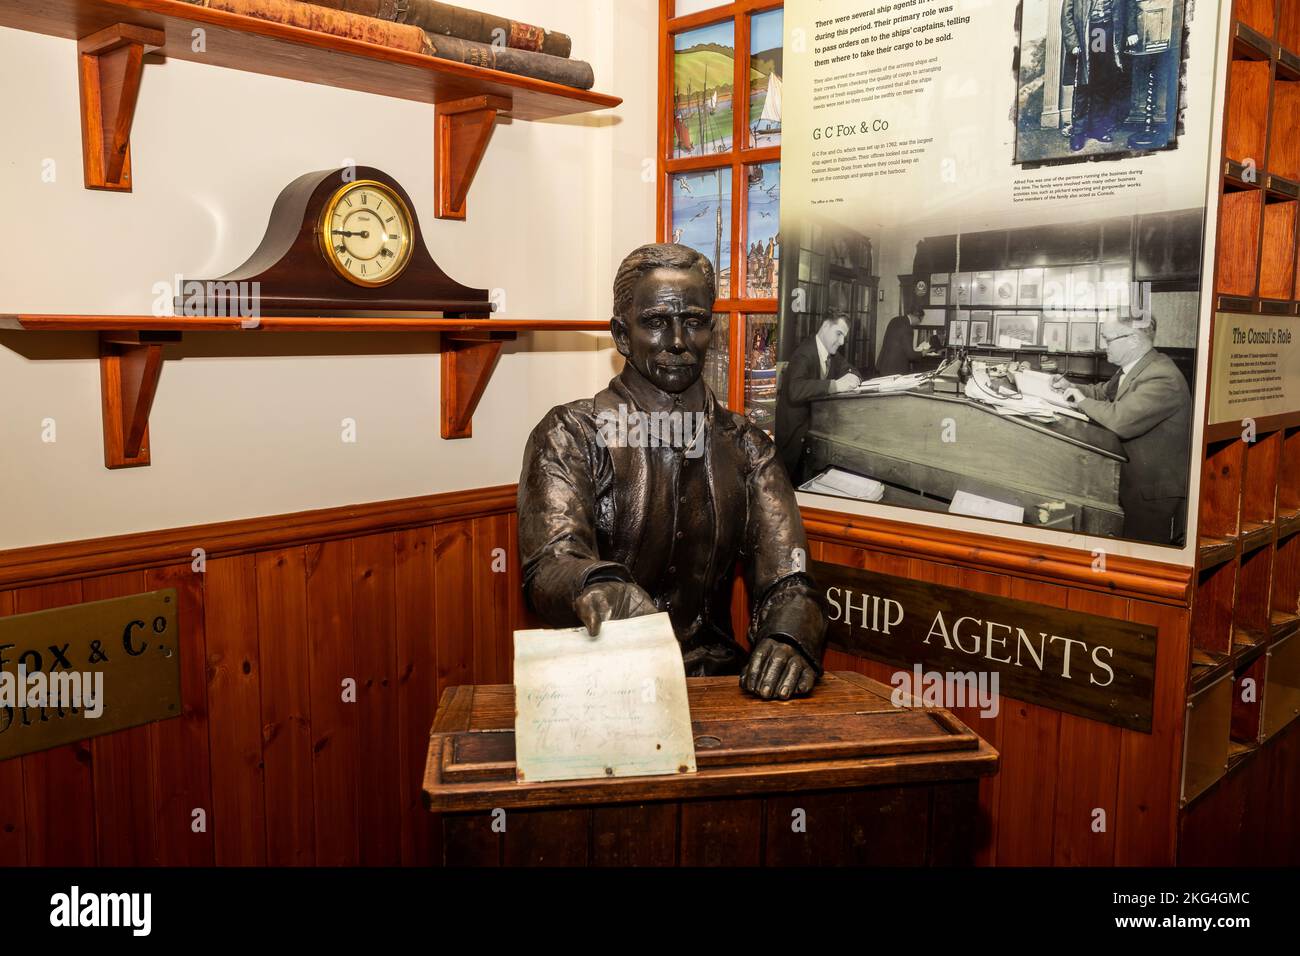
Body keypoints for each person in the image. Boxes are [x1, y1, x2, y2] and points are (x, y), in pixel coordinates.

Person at [517, 243, 827, 700]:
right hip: (605, 686)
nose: (678, 341)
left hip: (719, 687)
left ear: (712, 331)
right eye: (657, 323)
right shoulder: (571, 434)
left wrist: (788, 636)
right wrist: (600, 585)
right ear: (622, 335)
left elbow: (790, 580)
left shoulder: (748, 446)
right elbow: (550, 563)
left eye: (695, 322)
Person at [1052, 314, 1191, 545]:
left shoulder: (1162, 376)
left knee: (1143, 562)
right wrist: (1070, 387)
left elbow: (1120, 420)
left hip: (1153, 494)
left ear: (1134, 339)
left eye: (1108, 339)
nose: (1102, 345)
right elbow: (1102, 393)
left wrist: (1080, 401)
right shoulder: (1136, 367)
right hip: (1133, 482)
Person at [774, 313, 862, 480]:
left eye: (844, 336)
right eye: (839, 334)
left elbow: (852, 370)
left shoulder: (833, 355)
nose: (842, 342)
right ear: (825, 326)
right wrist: (835, 385)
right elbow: (795, 390)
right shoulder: (804, 353)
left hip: (813, 434)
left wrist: (854, 377)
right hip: (791, 439)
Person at [1062, 0, 1140, 152]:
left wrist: (1131, 31)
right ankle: (1078, 132)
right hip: (1086, 33)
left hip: (1107, 32)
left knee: (1102, 81)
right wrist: (1072, 43)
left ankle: (1096, 128)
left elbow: (1130, 5)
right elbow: (1067, 14)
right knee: (1084, 85)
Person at [876, 308, 932, 377]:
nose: (919, 323)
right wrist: (922, 353)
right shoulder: (908, 328)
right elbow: (910, 355)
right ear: (916, 317)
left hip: (884, 364)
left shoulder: (895, 320)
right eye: (920, 320)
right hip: (896, 369)